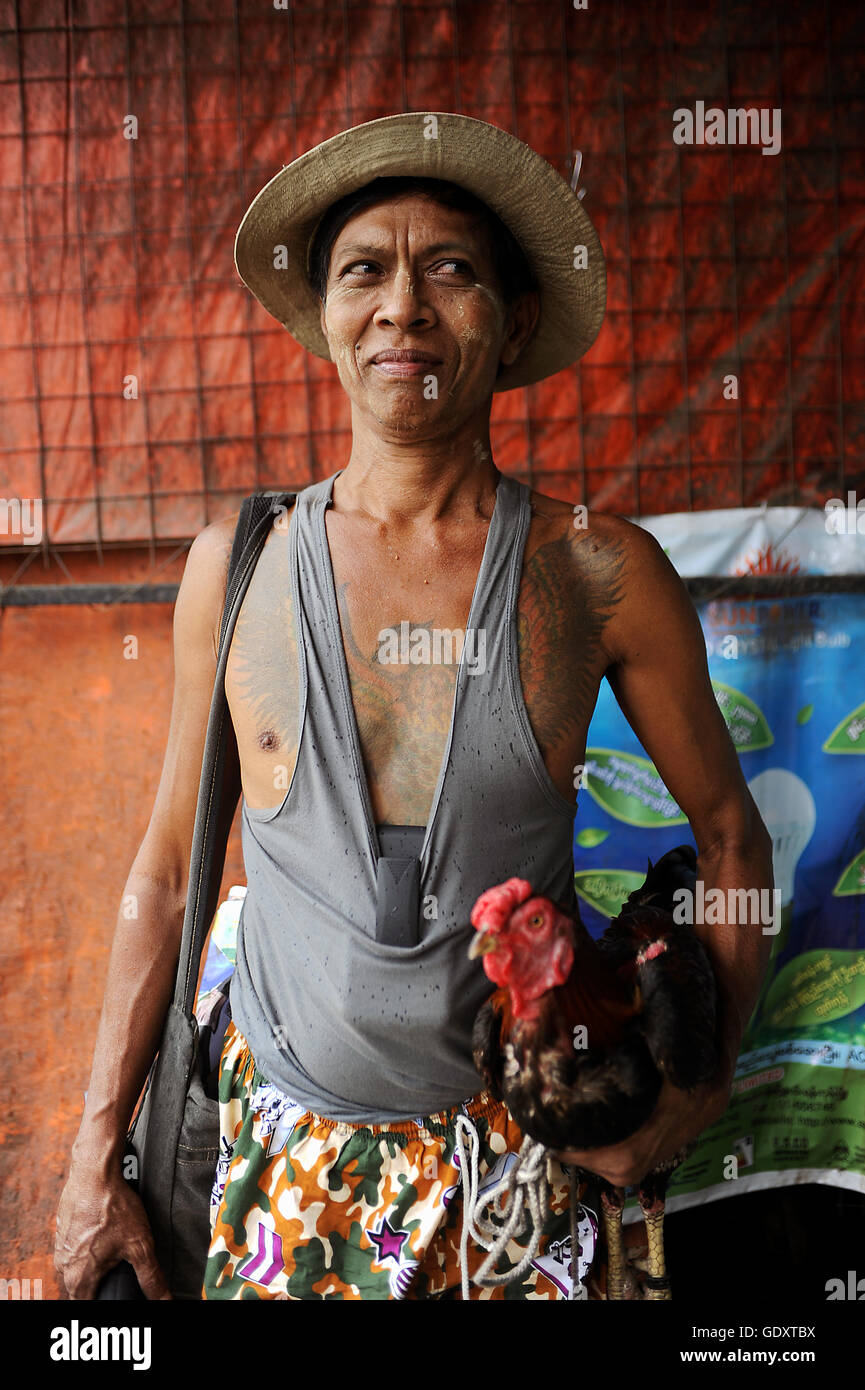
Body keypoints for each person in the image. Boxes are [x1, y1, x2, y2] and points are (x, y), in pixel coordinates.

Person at [55, 111, 774, 1301]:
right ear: (325, 320)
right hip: (284, 1177)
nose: (403, 306)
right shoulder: (235, 567)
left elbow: (735, 837)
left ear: (515, 320)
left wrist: (693, 1092)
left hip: (518, 1185)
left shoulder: (598, 572)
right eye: (363, 272)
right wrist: (93, 1154)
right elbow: (169, 869)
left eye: (450, 269)